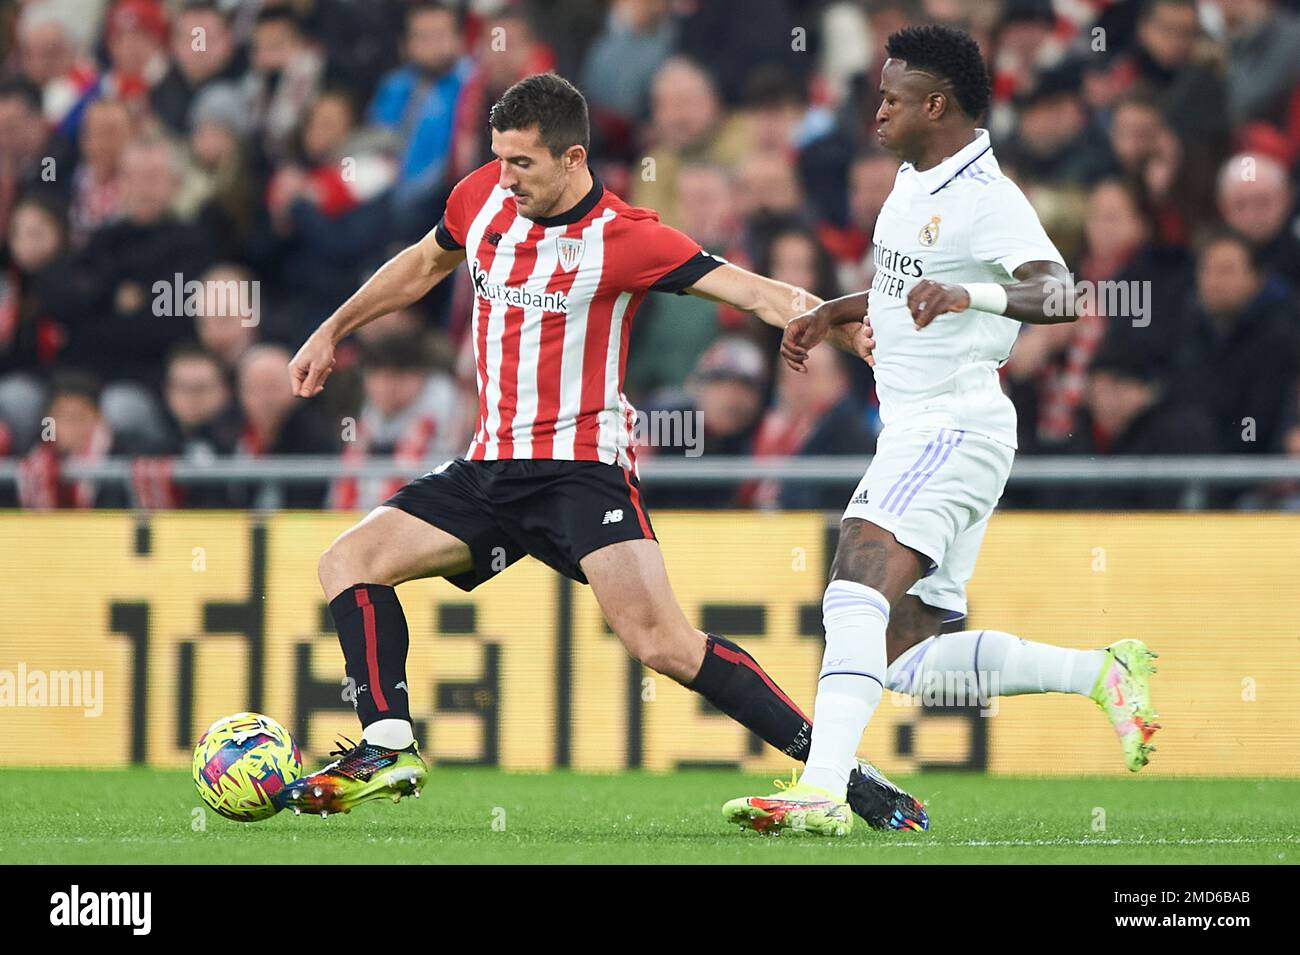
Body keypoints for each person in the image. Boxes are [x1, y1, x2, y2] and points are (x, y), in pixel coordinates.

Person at [282, 72, 919, 832]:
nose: (503, 176)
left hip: (582, 472)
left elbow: (753, 292)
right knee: (347, 561)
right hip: (487, 469)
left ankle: (834, 770)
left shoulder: (627, 236)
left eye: (522, 163)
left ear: (573, 157)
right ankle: (388, 744)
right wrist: (331, 329)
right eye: (499, 157)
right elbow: (422, 264)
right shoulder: (480, 196)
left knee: (663, 644)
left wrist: (843, 324)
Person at [728, 26, 1163, 836]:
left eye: (891, 98)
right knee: (905, 657)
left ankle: (823, 788)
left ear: (938, 103)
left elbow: (1059, 292)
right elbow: (905, 289)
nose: (877, 109)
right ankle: (1101, 672)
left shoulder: (984, 196)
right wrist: (835, 313)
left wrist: (975, 299)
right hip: (926, 427)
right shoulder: (914, 179)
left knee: (856, 569)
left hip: (951, 423)